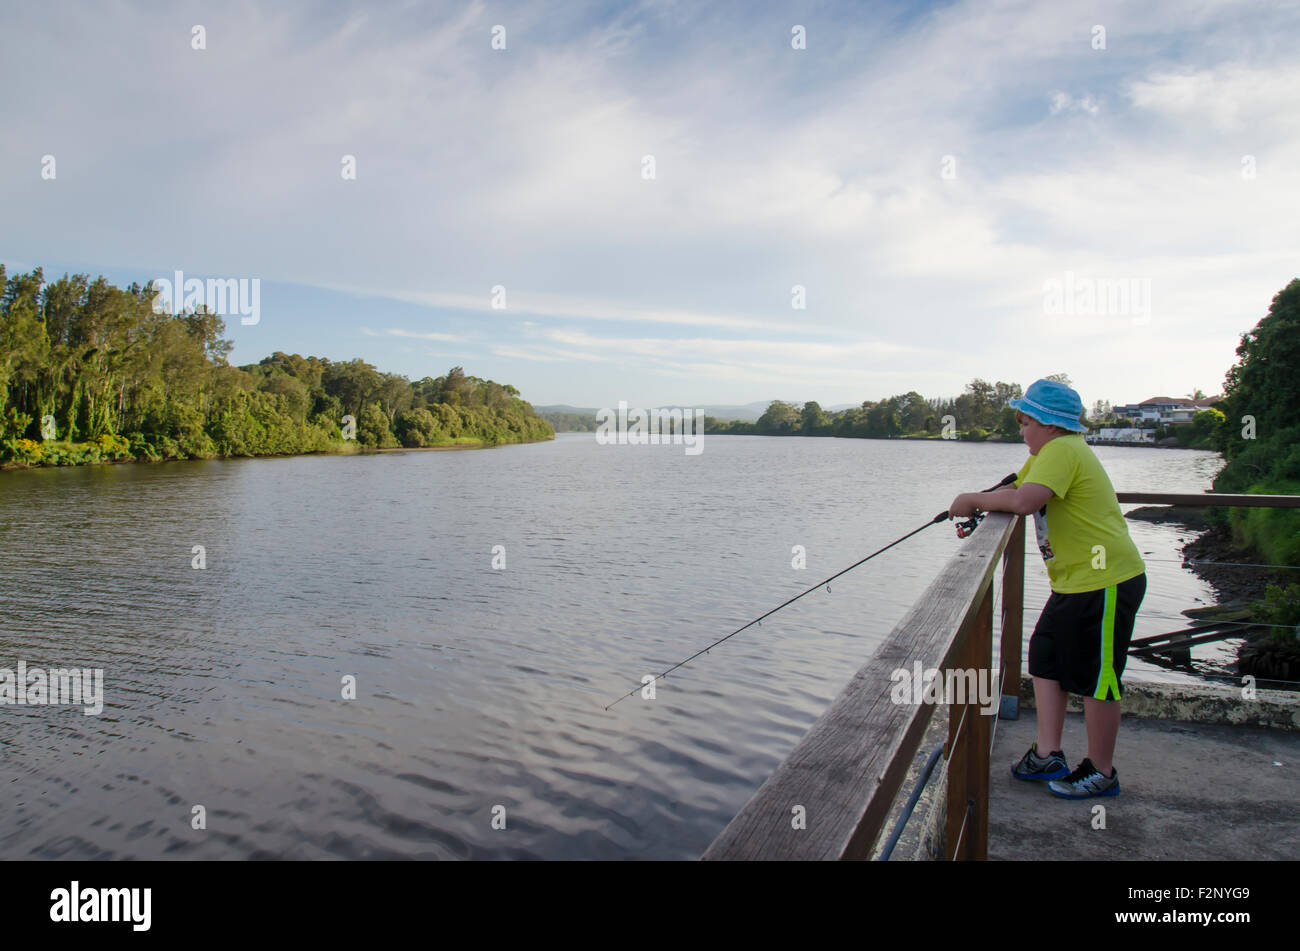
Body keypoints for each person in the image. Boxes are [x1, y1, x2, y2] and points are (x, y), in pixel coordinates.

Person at [948, 378, 1146, 798]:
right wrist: (979, 501)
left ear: (1049, 424)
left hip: (1106, 580)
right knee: (1044, 658)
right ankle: (1048, 753)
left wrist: (972, 498)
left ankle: (1101, 771)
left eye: (1025, 423)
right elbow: (1014, 488)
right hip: (1076, 583)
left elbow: (1025, 502)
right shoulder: (1047, 454)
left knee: (1098, 679)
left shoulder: (1062, 450)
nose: (1021, 432)